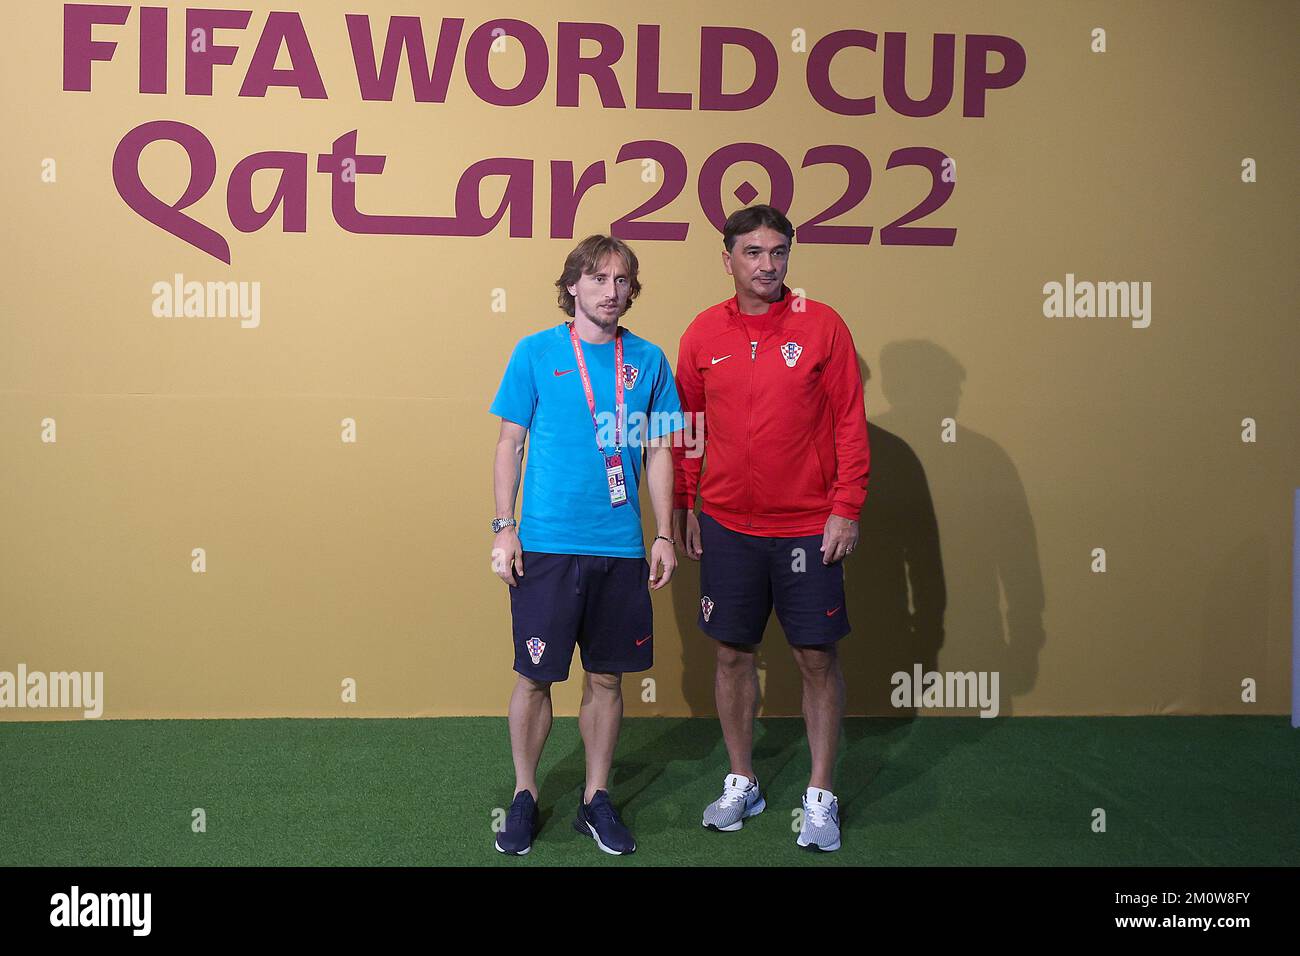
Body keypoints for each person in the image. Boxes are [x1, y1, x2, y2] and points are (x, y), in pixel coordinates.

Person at [672, 204, 870, 852]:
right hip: (729, 525)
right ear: (726, 257)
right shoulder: (702, 334)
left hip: (809, 526)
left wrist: (846, 506)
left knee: (817, 656)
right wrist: (686, 501)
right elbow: (687, 431)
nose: (767, 264)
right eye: (753, 252)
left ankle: (820, 792)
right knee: (732, 654)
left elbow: (849, 422)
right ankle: (742, 778)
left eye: (778, 252)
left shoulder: (823, 327)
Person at [489, 234, 681, 856]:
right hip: (546, 543)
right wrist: (504, 527)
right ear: (573, 284)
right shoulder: (535, 352)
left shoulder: (649, 360)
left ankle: (595, 798)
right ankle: (524, 793)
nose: (612, 291)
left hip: (621, 548)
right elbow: (509, 444)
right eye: (599, 278)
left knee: (606, 680)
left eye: (623, 281)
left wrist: (663, 534)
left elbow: (659, 451)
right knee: (534, 678)